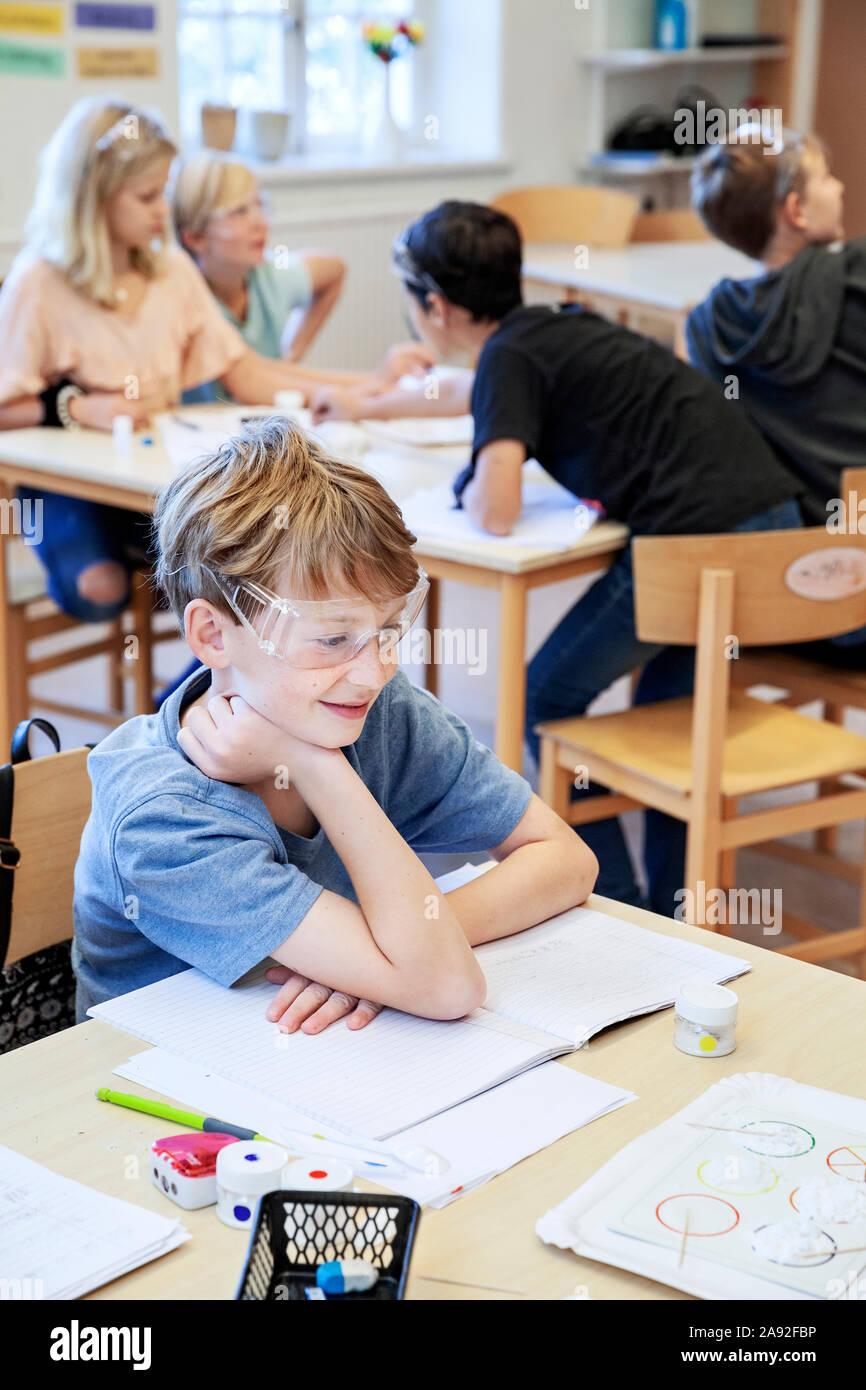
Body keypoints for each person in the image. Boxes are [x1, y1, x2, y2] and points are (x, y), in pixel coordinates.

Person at [313, 201, 806, 914]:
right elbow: (468, 393)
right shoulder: (552, 329)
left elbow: (496, 509)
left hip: (699, 547)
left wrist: (474, 475)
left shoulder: (509, 358)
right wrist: (362, 406)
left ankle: (611, 893)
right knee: (674, 715)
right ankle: (672, 911)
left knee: (547, 697)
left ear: (436, 306)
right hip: (773, 527)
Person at [72, 416, 598, 1028]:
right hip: (162, 1073)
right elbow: (447, 987)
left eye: (389, 630)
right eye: (331, 639)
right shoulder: (164, 817)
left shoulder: (368, 708)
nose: (375, 673)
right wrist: (316, 768)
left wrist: (390, 950)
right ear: (213, 635)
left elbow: (565, 858)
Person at [0, 97, 427, 624]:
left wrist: (372, 390)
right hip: (72, 484)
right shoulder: (38, 282)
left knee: (256, 575)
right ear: (93, 196)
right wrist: (76, 408)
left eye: (163, 193)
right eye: (147, 197)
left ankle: (198, 671)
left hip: (152, 477)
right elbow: (7, 406)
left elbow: (248, 373)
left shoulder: (172, 272)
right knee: (102, 588)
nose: (164, 212)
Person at [687, 125, 858, 526]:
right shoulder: (857, 275)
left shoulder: (708, 326)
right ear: (796, 210)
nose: (840, 187)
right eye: (826, 178)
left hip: (796, 542)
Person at [173, 152, 345, 403]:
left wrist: (293, 354)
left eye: (259, 205)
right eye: (238, 212)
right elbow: (248, 381)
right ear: (194, 238)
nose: (261, 223)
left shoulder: (269, 275)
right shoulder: (180, 295)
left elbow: (334, 270)